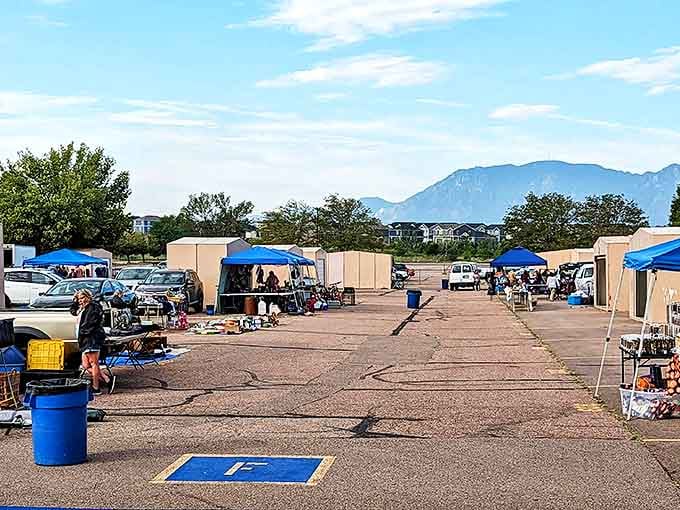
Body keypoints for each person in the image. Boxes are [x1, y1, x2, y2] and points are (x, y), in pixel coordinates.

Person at [70, 289, 114, 395]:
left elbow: (90, 324)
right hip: (85, 338)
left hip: (91, 338)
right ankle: (107, 379)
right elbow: (73, 311)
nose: (81, 301)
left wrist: (84, 333)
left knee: (94, 363)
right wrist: (75, 301)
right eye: (79, 299)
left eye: (82, 298)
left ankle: (96, 387)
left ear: (88, 297)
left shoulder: (93, 308)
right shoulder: (83, 308)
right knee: (85, 365)